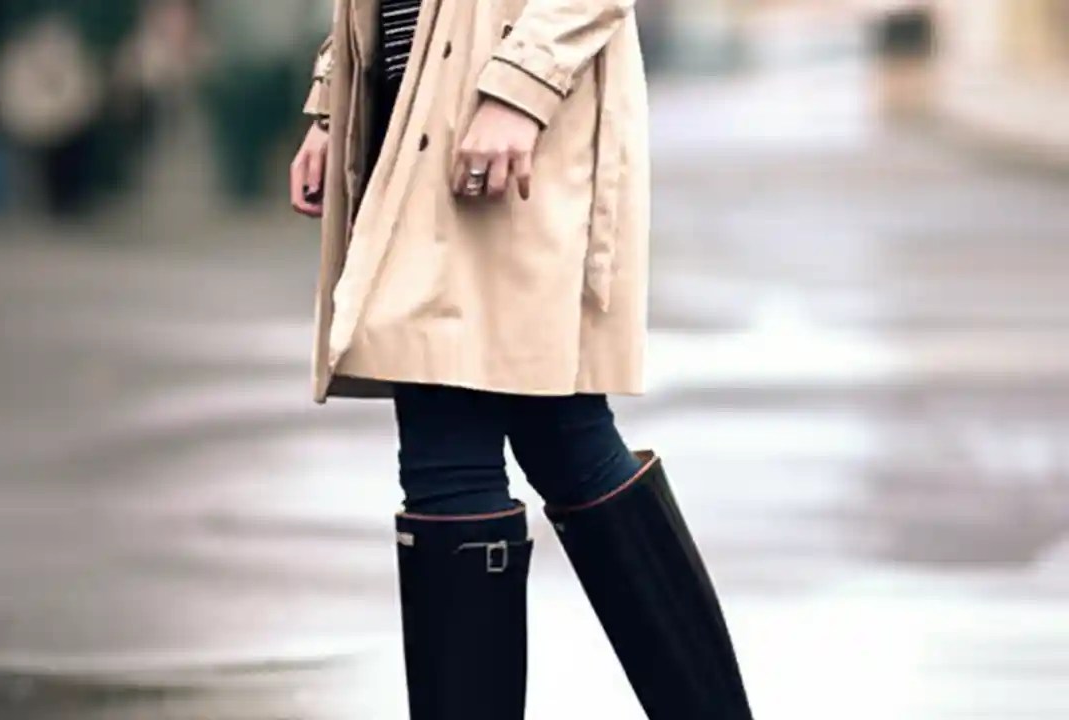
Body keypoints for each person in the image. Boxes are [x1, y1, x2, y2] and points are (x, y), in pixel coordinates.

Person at [289, 1, 754, 717]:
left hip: (507, 118)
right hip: (408, 113)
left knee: (516, 427)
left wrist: (521, 87)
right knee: (519, 432)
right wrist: (335, 101)